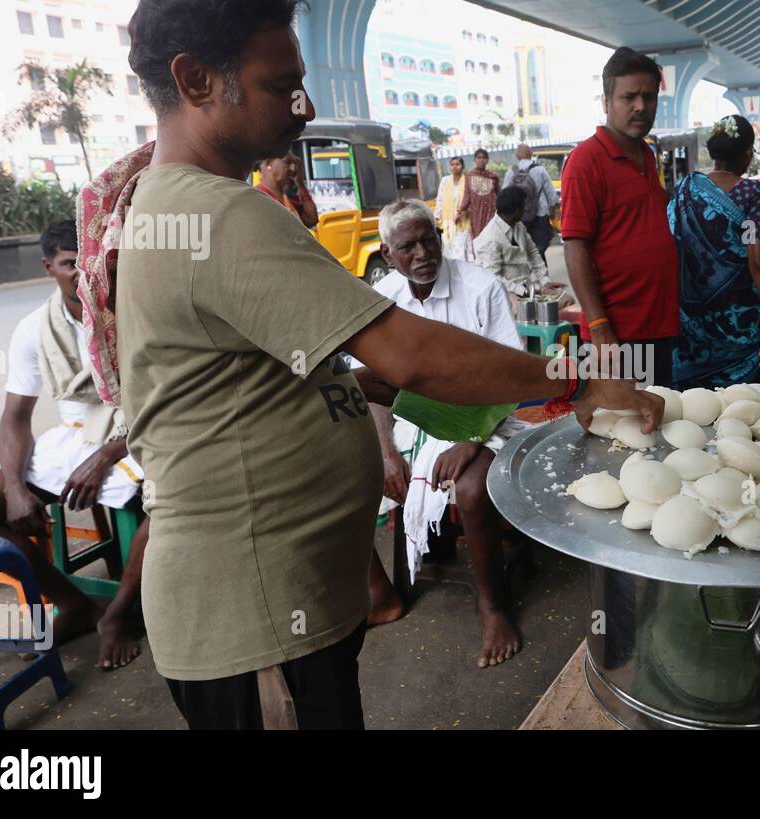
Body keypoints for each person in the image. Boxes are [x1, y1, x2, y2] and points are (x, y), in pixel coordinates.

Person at [96, 0, 660, 730]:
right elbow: (415, 352)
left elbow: (248, 381)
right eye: (281, 85)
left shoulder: (174, 202)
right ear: (197, 80)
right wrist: (577, 381)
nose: (306, 105)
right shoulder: (219, 215)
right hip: (256, 632)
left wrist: (346, 385)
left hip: (278, 617)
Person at [363, 200, 533, 668]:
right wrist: (384, 454)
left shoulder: (481, 287)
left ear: (440, 236)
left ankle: (492, 606)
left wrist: (469, 441)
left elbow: (511, 378)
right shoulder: (382, 299)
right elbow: (372, 388)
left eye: (428, 240)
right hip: (410, 422)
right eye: (407, 247)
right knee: (339, 470)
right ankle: (381, 594)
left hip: (485, 416)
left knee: (473, 488)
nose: (421, 254)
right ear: (387, 253)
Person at [0, 220, 149, 670]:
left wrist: (107, 454)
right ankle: (72, 603)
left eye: (91, 261)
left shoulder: (138, 312)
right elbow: (15, 418)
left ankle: (118, 613)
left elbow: (173, 401)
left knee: (171, 499)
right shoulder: (35, 329)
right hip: (71, 438)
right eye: (71, 263)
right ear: (48, 267)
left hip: (141, 429)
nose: (83, 272)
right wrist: (14, 487)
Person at [562, 46, 679, 386]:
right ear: (606, 103)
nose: (641, 106)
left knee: (658, 424)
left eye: (649, 97)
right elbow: (575, 247)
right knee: (620, 434)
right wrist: (599, 329)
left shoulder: (647, 154)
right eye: (629, 97)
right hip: (616, 337)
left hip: (656, 327)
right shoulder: (586, 161)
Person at [666, 114, 760, 390]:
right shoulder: (751, 192)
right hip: (737, 321)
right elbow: (759, 260)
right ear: (745, 153)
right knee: (743, 407)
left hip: (691, 323)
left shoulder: (685, 190)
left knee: (694, 410)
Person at [474, 185, 570, 306]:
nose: (526, 209)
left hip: (527, 288)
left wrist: (545, 282)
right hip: (504, 293)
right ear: (517, 211)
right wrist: (526, 291)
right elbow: (493, 279)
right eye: (524, 206)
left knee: (567, 300)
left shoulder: (518, 225)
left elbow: (533, 253)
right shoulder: (490, 237)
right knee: (528, 311)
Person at [502, 143, 559, 261]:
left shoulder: (511, 172)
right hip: (540, 214)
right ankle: (541, 274)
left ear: (517, 156)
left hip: (519, 216)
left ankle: (527, 273)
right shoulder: (540, 170)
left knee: (523, 247)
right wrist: (555, 210)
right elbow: (551, 195)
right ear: (531, 154)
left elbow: (504, 194)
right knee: (539, 248)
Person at [255, 153, 318, 228]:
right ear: (269, 164)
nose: (293, 169)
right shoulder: (257, 198)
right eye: (287, 162)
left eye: (294, 164)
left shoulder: (286, 200)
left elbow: (311, 220)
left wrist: (300, 183)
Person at [434, 157, 473, 261]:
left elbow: (472, 201)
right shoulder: (445, 181)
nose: (455, 167)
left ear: (463, 166)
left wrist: (464, 213)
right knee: (449, 252)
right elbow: (440, 199)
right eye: (452, 164)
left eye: (457, 164)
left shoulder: (468, 181)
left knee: (461, 253)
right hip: (447, 222)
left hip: (463, 222)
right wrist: (437, 216)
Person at [460, 148, 499, 240]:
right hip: (477, 212)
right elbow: (467, 194)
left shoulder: (493, 176)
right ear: (474, 160)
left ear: (487, 160)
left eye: (484, 158)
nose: (481, 160)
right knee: (478, 237)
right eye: (479, 158)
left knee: (492, 236)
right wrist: (461, 209)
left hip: (491, 211)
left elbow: (498, 193)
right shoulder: (469, 176)